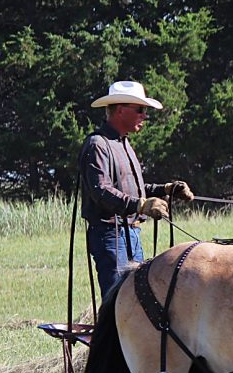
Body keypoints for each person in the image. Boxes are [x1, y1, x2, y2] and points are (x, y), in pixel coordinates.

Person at [79, 80, 193, 298]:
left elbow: (136, 189)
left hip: (131, 232)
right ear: (120, 110)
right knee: (118, 299)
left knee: (135, 298)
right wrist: (140, 205)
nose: (144, 115)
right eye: (140, 110)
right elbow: (101, 191)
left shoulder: (124, 144)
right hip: (110, 235)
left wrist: (166, 189)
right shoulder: (98, 144)